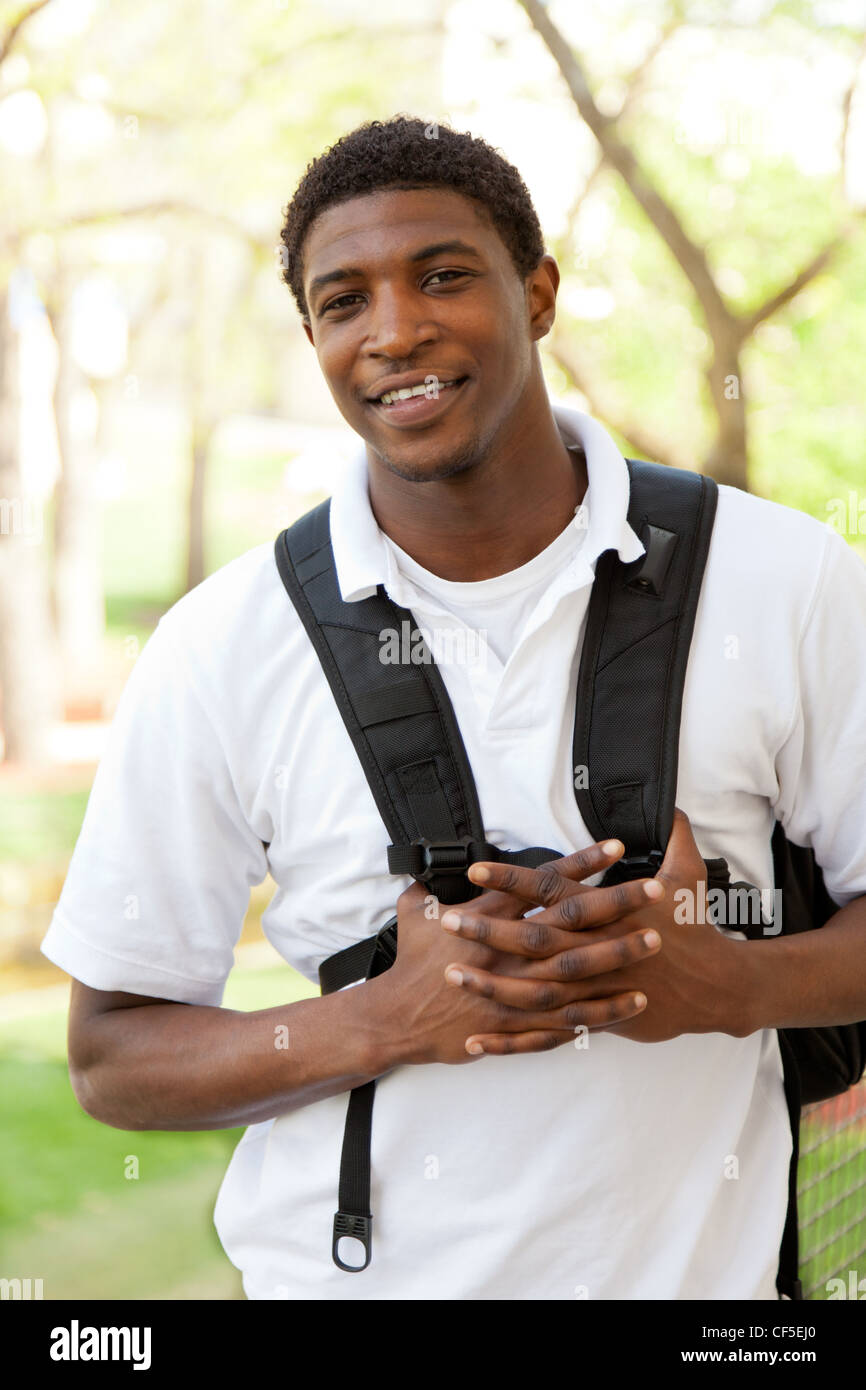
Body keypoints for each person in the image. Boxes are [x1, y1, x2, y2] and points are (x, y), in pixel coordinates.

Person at [43, 115, 866, 1301]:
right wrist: (390, 1018)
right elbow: (113, 1056)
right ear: (314, 336)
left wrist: (725, 985)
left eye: (441, 276)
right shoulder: (219, 647)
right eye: (342, 301)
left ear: (536, 293)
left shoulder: (787, 580)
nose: (394, 331)